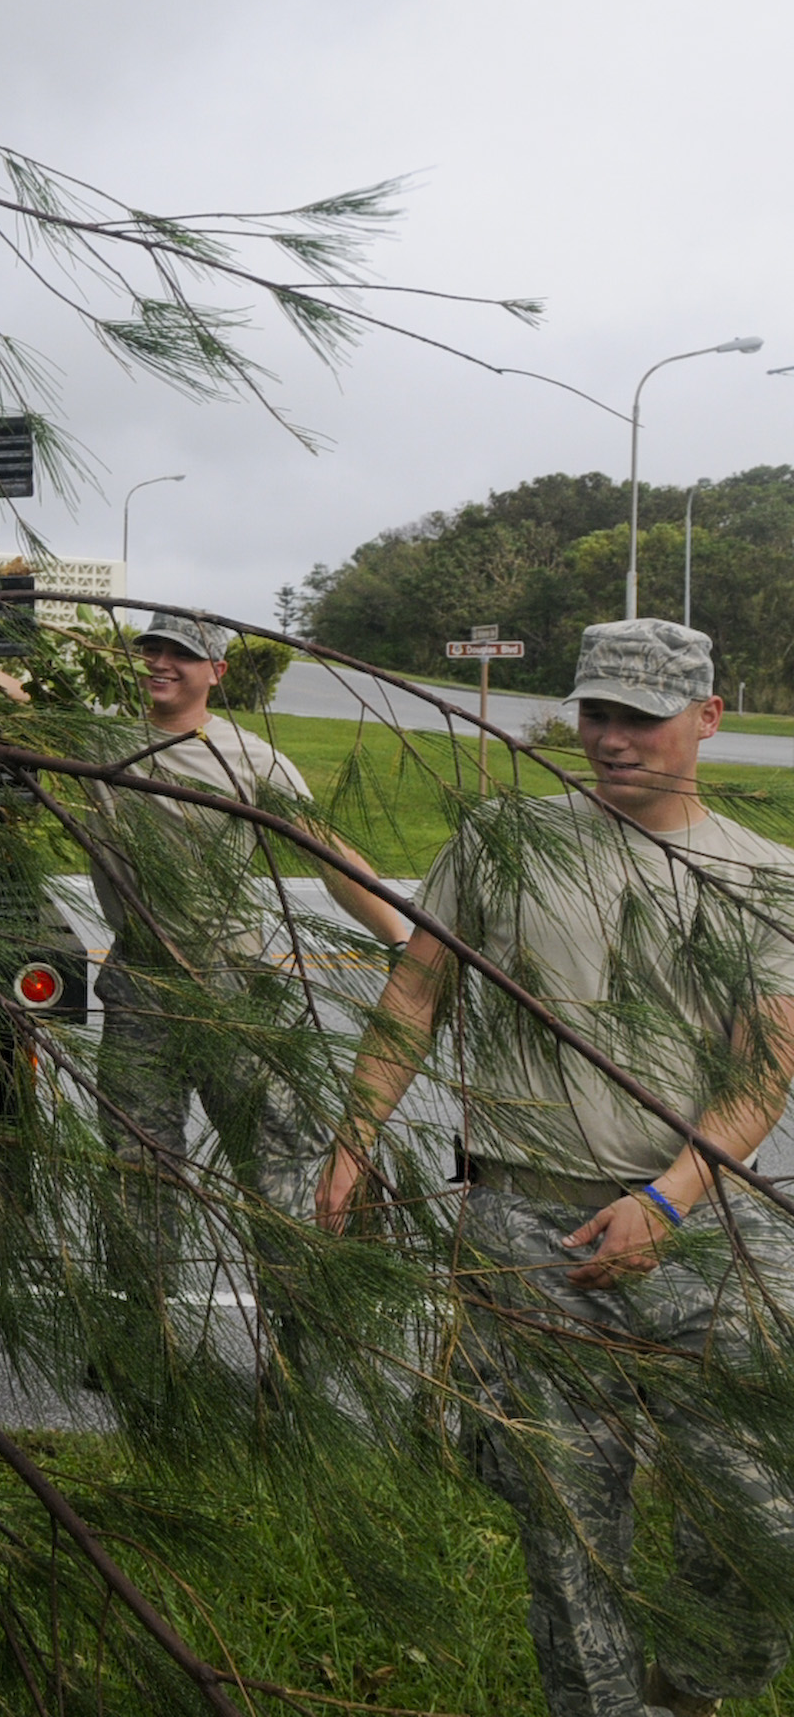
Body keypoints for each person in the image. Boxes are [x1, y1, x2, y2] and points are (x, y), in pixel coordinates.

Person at [318, 619, 794, 1717]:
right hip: (521, 1226)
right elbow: (415, 994)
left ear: (709, 719)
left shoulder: (760, 878)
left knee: (771, 1514)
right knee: (572, 1533)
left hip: (700, 1223)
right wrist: (353, 1142)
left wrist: (666, 1202)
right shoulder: (502, 841)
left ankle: (695, 1684)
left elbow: (758, 1080)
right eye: (596, 714)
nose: (613, 739)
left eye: (642, 716)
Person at [84, 613, 408, 1273]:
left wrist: (404, 940)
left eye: (182, 653)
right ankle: (144, 1334)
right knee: (133, 1169)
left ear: (216, 672)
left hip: (235, 987)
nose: (161, 662)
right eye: (152, 648)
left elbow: (329, 854)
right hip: (138, 985)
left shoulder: (252, 760)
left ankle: (298, 1338)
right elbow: (1, 700)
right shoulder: (96, 739)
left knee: (276, 1165)